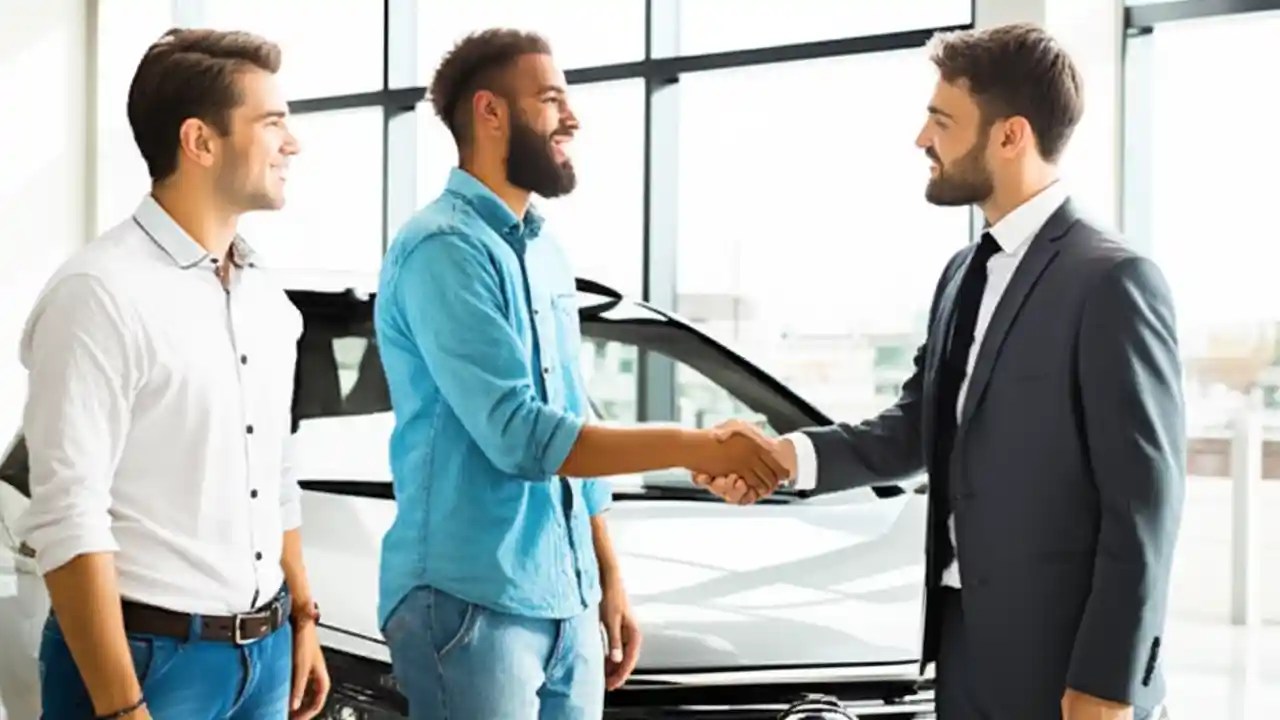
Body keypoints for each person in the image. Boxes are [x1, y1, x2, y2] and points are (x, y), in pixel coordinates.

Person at [697, 23, 1183, 720]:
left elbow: (1144, 508)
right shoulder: (964, 273)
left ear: (1010, 136)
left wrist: (1109, 684)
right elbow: (915, 429)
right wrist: (784, 458)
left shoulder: (1112, 281)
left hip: (1071, 675)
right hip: (963, 652)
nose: (922, 140)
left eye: (941, 121)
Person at [375, 28, 786, 720]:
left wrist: (605, 578)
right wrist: (697, 447)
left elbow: (573, 413)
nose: (573, 118)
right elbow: (522, 435)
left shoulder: (545, 251)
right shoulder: (442, 250)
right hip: (470, 601)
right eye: (551, 99)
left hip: (566, 600)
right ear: (491, 112)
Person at [16, 28, 330, 719]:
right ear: (200, 141)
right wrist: (122, 707)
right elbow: (68, 518)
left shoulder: (268, 303)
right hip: (147, 664)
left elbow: (275, 478)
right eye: (272, 123)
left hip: (267, 652)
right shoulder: (98, 293)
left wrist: (302, 618)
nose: (293, 143)